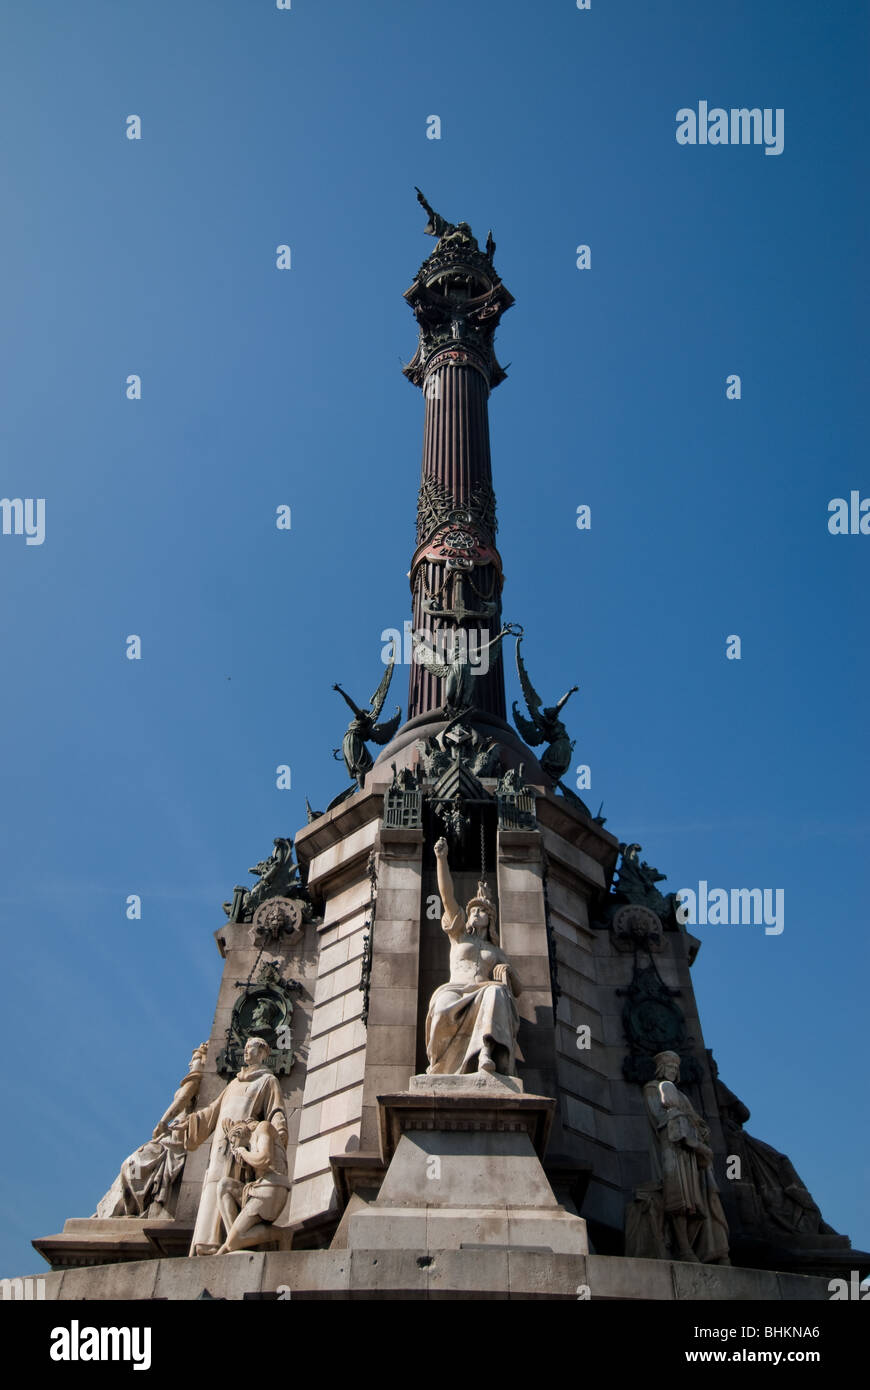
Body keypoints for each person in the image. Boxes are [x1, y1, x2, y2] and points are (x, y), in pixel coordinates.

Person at [170, 1036, 287, 1256]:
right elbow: (211, 1112)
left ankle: (231, 1242)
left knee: (230, 1185)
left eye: (251, 1048)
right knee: (214, 1185)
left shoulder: (267, 1080)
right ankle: (206, 1244)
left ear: (262, 1052)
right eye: (245, 1048)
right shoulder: (234, 1083)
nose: (246, 1052)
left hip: (241, 1148)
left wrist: (279, 1136)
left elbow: (276, 1112)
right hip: (219, 1148)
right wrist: (189, 1122)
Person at [425, 837, 521, 1076]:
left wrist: (508, 972)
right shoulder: (458, 936)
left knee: (497, 992)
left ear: (491, 919)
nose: (476, 913)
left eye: (482, 911)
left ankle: (486, 1055)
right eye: (473, 910)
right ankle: (440, 1065)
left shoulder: (496, 951)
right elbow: (447, 897)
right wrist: (441, 859)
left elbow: (517, 989)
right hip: (455, 989)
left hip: (484, 989)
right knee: (441, 1009)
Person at [643, 1051, 730, 1263]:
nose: (673, 1072)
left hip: (691, 1153)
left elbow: (697, 1121)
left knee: (696, 1201)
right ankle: (683, 1248)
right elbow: (659, 1118)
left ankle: (697, 1247)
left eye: (675, 1069)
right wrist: (682, 1123)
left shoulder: (682, 1096)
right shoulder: (653, 1088)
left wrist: (699, 1131)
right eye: (669, 1068)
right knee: (679, 1199)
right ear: (661, 1069)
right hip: (671, 1150)